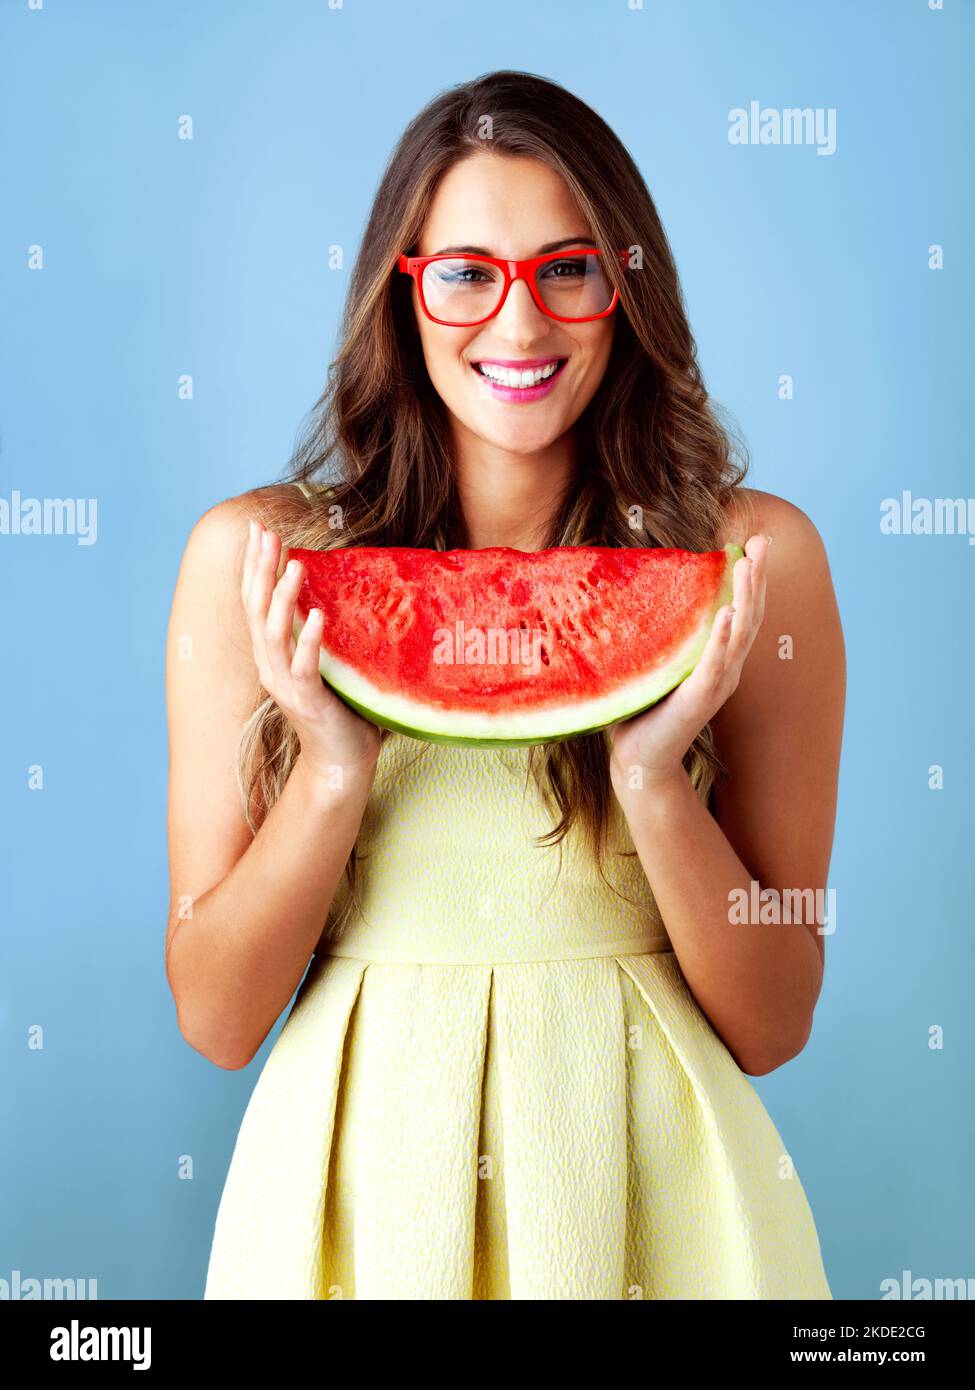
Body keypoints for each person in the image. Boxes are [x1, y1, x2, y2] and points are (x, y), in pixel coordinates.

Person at [165, 70, 843, 1300]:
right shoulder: (259, 567)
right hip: (358, 1200)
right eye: (467, 273)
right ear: (403, 296)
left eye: (568, 269)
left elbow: (777, 1021)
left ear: (625, 288)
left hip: (650, 1204)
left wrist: (652, 776)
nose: (520, 327)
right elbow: (214, 1021)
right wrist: (330, 771)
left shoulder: (753, 564)